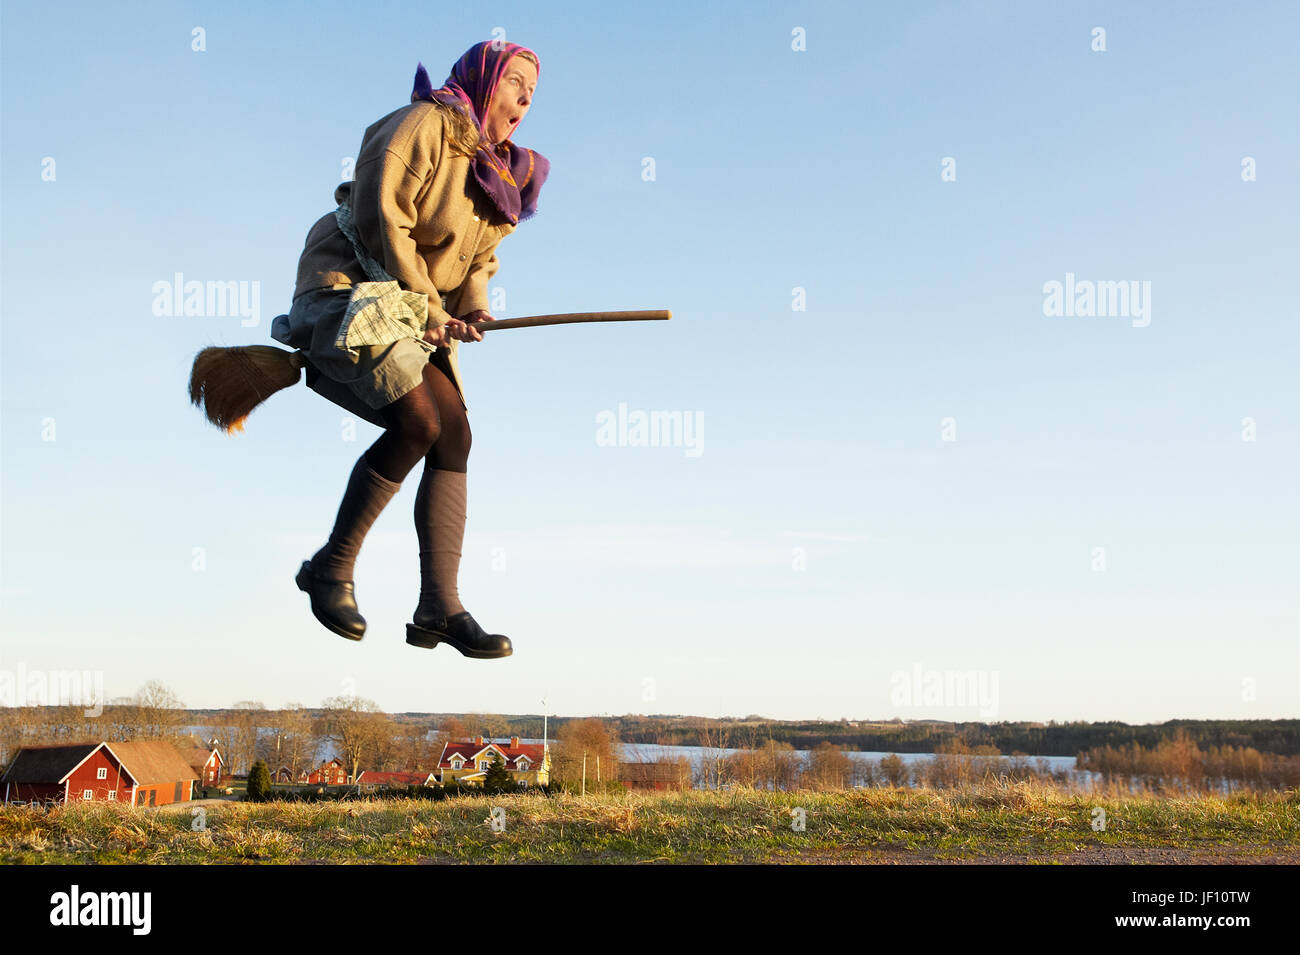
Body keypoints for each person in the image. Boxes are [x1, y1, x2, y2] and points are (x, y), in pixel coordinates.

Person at [269, 40, 549, 658]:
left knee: (454, 434)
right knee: (418, 419)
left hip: (411, 310)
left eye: (535, 89)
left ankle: (439, 608)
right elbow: (379, 214)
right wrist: (429, 302)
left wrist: (471, 303)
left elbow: (479, 258)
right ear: (484, 79)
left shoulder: (498, 174)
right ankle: (330, 568)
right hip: (350, 285)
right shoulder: (426, 125)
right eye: (516, 80)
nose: (527, 96)